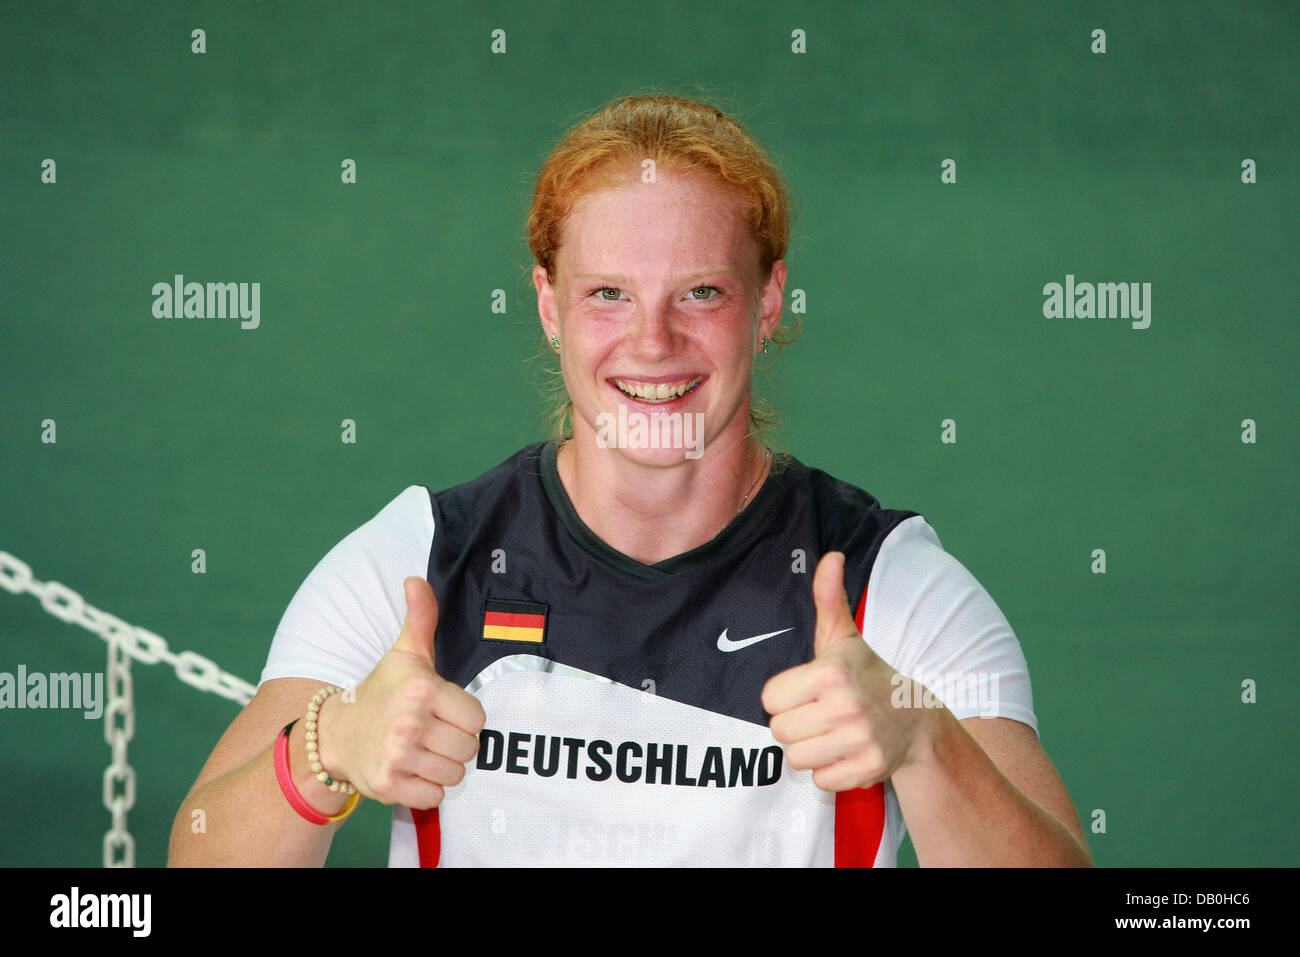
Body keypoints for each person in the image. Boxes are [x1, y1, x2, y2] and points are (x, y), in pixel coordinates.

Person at [168, 93, 1090, 867]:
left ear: (768, 302)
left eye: (701, 291)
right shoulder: (422, 559)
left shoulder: (884, 584)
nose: (653, 342)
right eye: (608, 292)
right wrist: (328, 749)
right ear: (548, 305)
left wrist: (925, 739)